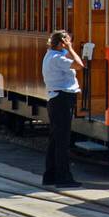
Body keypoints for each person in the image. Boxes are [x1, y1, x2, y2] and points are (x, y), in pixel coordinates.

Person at [41, 29, 84, 187]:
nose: (69, 44)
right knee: (62, 140)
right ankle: (63, 178)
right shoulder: (58, 58)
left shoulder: (50, 54)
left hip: (56, 98)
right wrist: (72, 49)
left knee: (55, 138)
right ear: (61, 43)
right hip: (62, 99)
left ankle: (50, 176)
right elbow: (79, 65)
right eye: (67, 42)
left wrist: (68, 48)